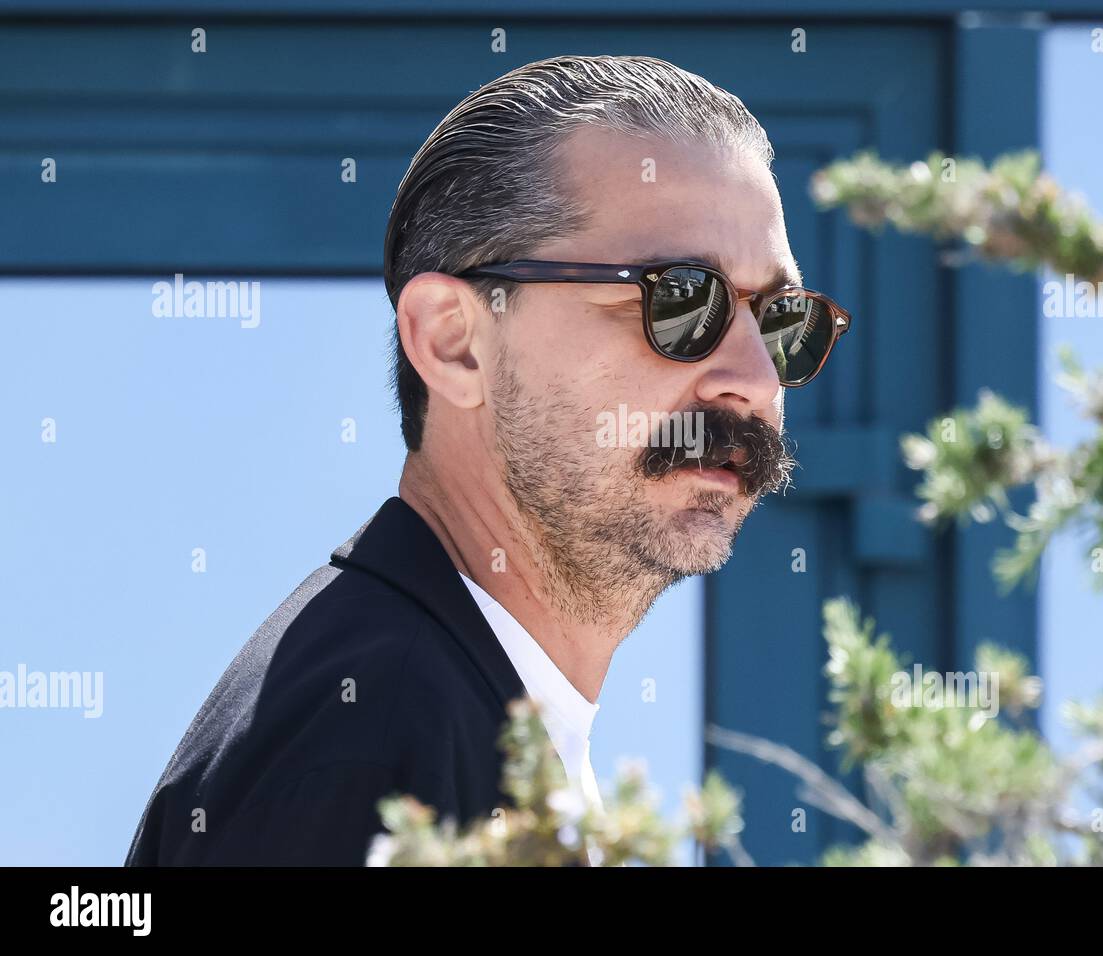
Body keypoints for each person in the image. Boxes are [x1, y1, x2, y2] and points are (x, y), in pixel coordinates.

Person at [124, 53, 850, 866]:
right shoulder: (371, 745)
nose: (753, 380)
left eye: (784, 319)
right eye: (681, 300)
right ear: (454, 343)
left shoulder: (464, 721)